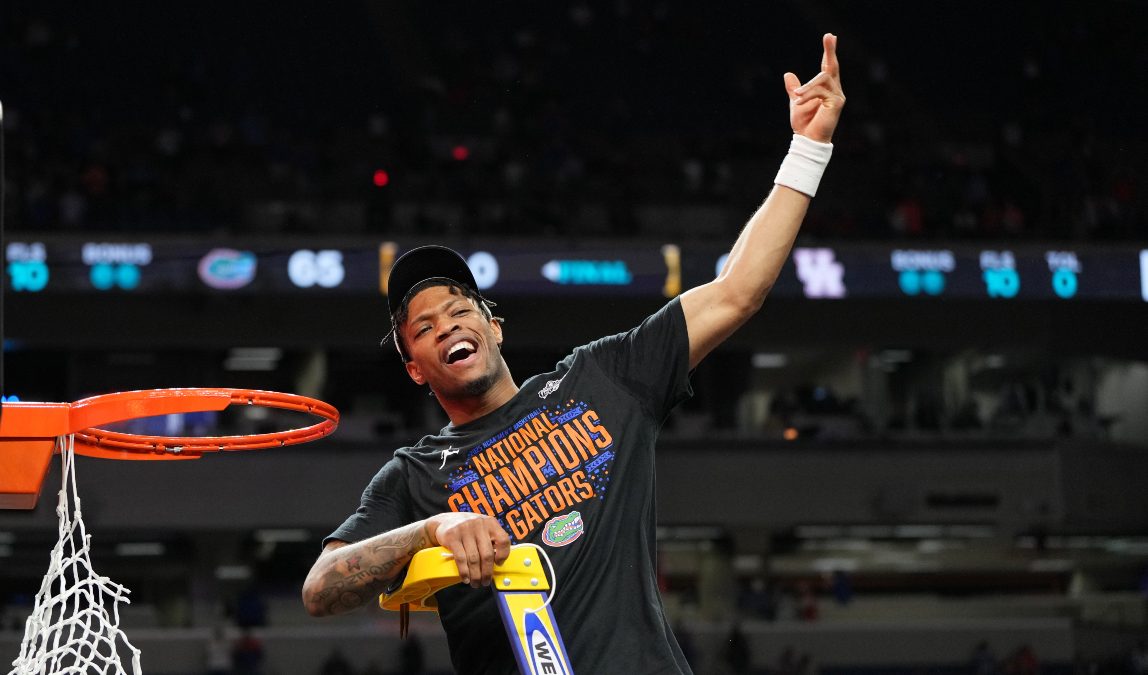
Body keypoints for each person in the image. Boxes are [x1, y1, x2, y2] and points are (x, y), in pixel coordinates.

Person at [303, 33, 846, 675]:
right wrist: (433, 530)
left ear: (493, 325)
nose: (446, 323)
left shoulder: (605, 379)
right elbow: (321, 587)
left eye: (458, 307)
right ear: (414, 367)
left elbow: (738, 293)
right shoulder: (414, 477)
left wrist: (807, 148)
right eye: (421, 327)